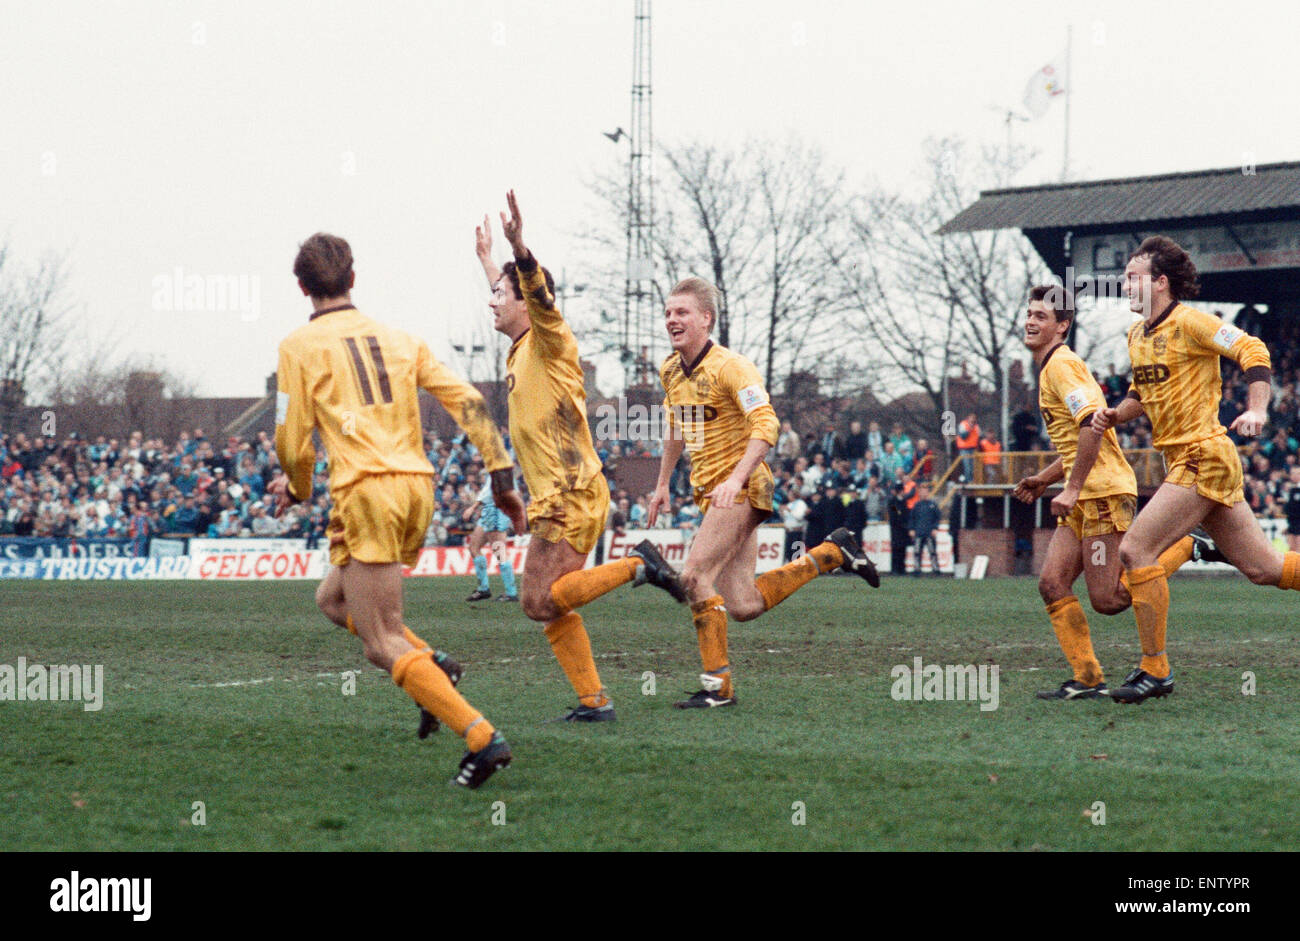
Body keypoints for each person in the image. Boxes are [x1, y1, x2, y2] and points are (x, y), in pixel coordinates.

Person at [269, 231, 524, 789]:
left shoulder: (298, 347)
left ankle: (482, 738)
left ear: (301, 286)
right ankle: (437, 667)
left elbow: (291, 440)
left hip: (367, 490)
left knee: (380, 641)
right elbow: (469, 401)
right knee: (333, 600)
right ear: (354, 278)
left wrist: (299, 486)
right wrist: (501, 474)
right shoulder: (400, 338)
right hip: (415, 487)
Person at [478, 193, 685, 723]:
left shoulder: (547, 337)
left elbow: (537, 296)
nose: (491, 301)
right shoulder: (523, 345)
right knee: (545, 602)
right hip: (560, 495)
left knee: (537, 601)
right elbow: (517, 297)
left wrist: (519, 248)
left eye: (498, 294)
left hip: (571, 492)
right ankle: (595, 702)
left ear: (523, 299)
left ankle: (640, 564)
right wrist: (488, 263)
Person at [647, 276, 879, 708]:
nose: (671, 320)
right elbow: (677, 426)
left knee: (694, 577)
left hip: (743, 487)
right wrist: (661, 483)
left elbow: (766, 424)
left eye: (681, 312)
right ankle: (831, 555)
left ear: (706, 319)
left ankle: (718, 689)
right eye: (667, 313)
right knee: (744, 604)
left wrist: (735, 478)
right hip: (713, 494)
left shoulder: (732, 367)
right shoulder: (670, 371)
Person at [1090, 236, 1300, 702]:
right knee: (1263, 568)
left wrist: (1258, 409)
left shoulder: (1193, 322)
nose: (1124, 285)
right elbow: (1140, 395)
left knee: (1135, 550)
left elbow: (1254, 350)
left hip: (1203, 455)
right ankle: (1191, 556)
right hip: (1187, 462)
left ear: (1160, 283)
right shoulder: (1136, 335)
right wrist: (1114, 414)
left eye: (1132, 278)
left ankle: (1155, 671)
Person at [1013, 284, 1205, 700]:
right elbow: (1077, 437)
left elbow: (1091, 426)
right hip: (1082, 495)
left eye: (1041, 316)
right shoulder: (1049, 368)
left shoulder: (1061, 366)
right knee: (1051, 583)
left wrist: (1073, 486)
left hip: (1101, 494)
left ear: (1062, 326)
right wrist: (1047, 479)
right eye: (1029, 314)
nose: (1030, 321)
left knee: (1110, 598)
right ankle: (1087, 678)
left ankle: (1189, 545)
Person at [462, 477, 519, 603]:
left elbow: (489, 491)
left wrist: (473, 507)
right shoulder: (498, 468)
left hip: (496, 509)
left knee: (499, 551)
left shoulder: (498, 467)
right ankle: (483, 589)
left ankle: (511, 592)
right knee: (474, 547)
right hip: (490, 509)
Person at [908, 482, 941, 575]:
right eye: (922, 491)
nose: (923, 493)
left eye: (925, 491)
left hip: (929, 532)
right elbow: (912, 518)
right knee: (917, 552)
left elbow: (937, 517)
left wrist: (935, 528)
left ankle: (936, 569)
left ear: (928, 492)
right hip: (918, 532)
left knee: (932, 552)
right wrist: (911, 529)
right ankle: (917, 569)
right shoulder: (916, 505)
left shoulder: (932, 505)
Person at [956, 413, 980, 482]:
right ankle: (968, 481)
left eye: (974, 418)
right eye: (971, 418)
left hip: (973, 448)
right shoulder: (963, 425)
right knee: (967, 466)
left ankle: (973, 480)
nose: (973, 420)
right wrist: (969, 429)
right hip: (964, 449)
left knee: (973, 467)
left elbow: (978, 437)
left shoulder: (976, 427)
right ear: (968, 418)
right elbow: (963, 436)